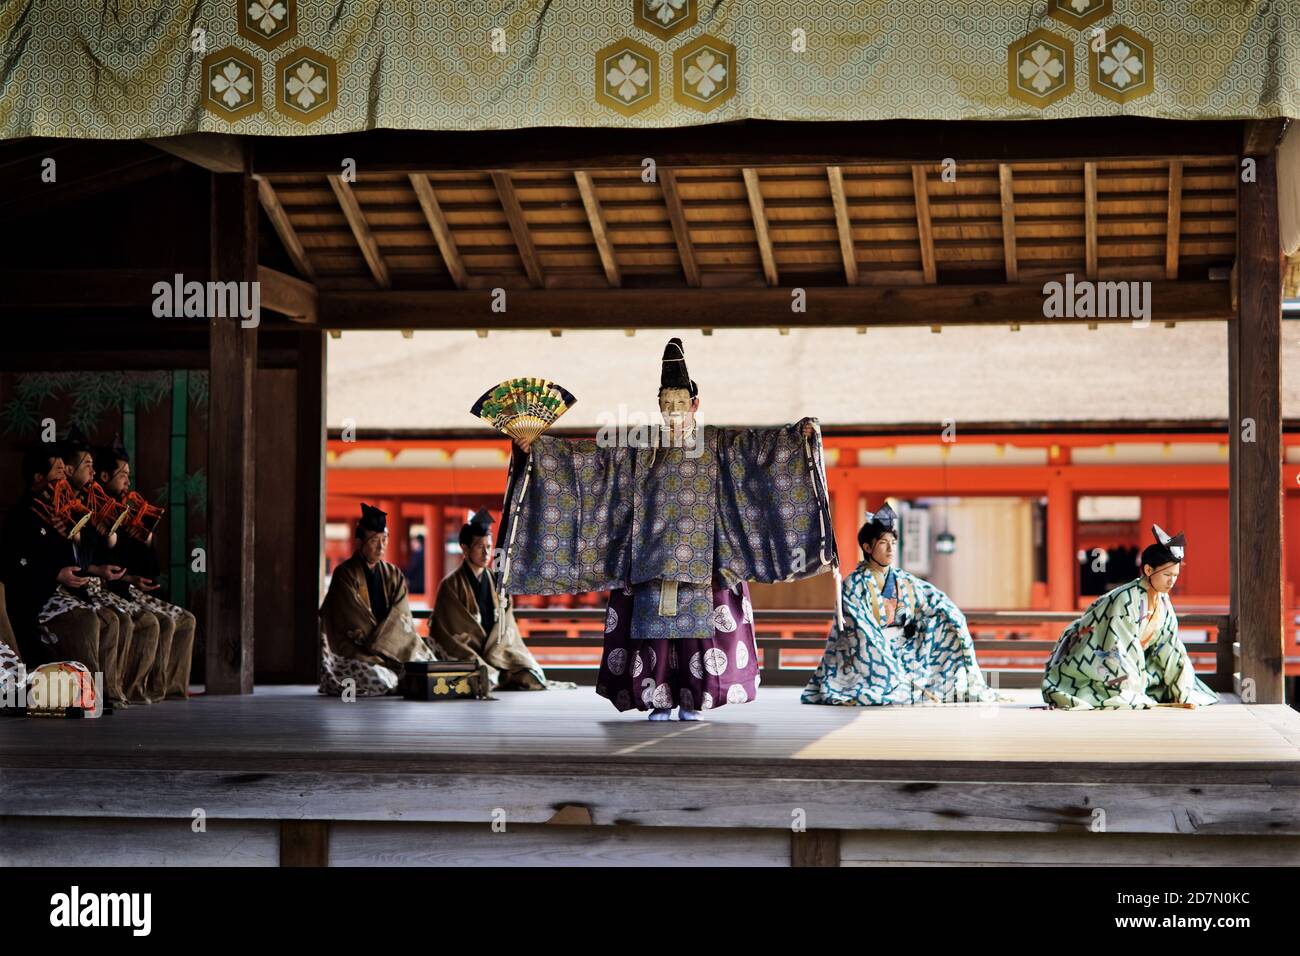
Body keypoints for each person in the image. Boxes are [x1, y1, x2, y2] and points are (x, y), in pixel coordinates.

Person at [503, 337, 836, 720]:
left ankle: (696, 700)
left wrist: (795, 440)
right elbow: (590, 465)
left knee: (702, 637)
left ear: (696, 404)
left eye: (681, 403)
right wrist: (541, 451)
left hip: (708, 557)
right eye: (666, 403)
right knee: (654, 639)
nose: (673, 410)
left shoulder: (718, 444)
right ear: (659, 404)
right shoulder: (640, 445)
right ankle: (657, 700)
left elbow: (759, 453)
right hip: (650, 557)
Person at [802, 502, 997, 706]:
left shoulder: (904, 580)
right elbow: (859, 629)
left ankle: (941, 685)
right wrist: (883, 650)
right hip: (867, 650)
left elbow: (935, 601)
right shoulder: (853, 584)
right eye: (883, 543)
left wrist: (953, 616)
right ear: (868, 547)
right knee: (877, 669)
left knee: (947, 623)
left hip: (905, 645)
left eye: (893, 543)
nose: (890, 548)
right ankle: (894, 684)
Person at [0, 443, 127, 707]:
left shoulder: (62, 509)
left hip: (67, 591)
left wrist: (77, 533)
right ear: (38, 478)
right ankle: (94, 696)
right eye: (58, 471)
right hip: (39, 598)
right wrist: (55, 573)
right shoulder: (22, 514)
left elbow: (80, 560)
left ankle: (109, 693)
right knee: (88, 622)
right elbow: (15, 562)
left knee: (112, 620)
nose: (63, 477)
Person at [1042, 524, 1219, 709]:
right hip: (1093, 661)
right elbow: (1119, 647)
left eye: (1175, 575)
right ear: (1148, 570)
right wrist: (1135, 688)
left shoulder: (1164, 602)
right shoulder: (1125, 599)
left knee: (1175, 682)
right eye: (1167, 574)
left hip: (1132, 662)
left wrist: (1181, 690)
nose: (1171, 581)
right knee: (1122, 695)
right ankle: (1132, 690)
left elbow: (1171, 646)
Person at [59, 430, 160, 705]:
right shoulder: (60, 506)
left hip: (105, 584)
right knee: (114, 620)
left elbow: (140, 566)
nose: (128, 479)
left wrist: (143, 537)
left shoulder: (97, 506)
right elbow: (74, 560)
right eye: (86, 465)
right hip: (68, 589)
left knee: (163, 620)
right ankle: (103, 694)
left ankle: (127, 691)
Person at [93, 437, 197, 700]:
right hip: (106, 588)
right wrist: (125, 573)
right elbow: (100, 564)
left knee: (186, 619)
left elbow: (150, 569)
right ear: (103, 476)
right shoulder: (95, 510)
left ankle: (171, 688)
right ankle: (135, 690)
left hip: (128, 585)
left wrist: (147, 539)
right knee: (153, 622)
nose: (128, 481)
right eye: (122, 475)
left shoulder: (126, 508)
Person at [318, 502, 435, 697]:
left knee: (427, 669)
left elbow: (401, 616)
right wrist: (377, 652)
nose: (381, 546)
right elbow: (351, 619)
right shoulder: (345, 574)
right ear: (359, 541)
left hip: (392, 649)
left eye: (385, 539)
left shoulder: (393, 574)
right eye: (374, 540)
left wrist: (388, 647)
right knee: (379, 677)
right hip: (356, 650)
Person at [429, 508, 547, 690]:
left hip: (497, 653)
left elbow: (507, 626)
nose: (486, 553)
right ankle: (493, 675)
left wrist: (497, 652)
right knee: (483, 676)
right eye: (480, 547)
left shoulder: (497, 582)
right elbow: (450, 631)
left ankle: (497, 673)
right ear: (465, 548)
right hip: (468, 655)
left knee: (532, 676)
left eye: (489, 547)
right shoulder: (450, 585)